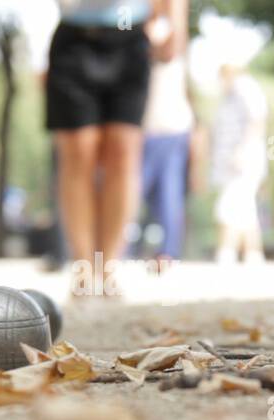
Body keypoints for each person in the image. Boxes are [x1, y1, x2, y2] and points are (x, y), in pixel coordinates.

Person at [47, 0, 183, 294]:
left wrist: (176, 22)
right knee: (78, 152)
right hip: (74, 37)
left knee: (123, 152)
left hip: (131, 36)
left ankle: (109, 265)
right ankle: (83, 264)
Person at [136, 0, 193, 262]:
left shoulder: (158, 31)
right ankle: (166, 251)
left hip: (159, 126)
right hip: (171, 125)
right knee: (167, 192)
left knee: (139, 190)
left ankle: (162, 251)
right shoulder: (167, 31)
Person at [210, 62, 268, 264]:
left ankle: (228, 250)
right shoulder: (230, 95)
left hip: (243, 159)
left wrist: (244, 150)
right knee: (244, 207)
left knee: (229, 205)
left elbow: (257, 119)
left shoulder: (244, 87)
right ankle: (252, 253)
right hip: (233, 161)